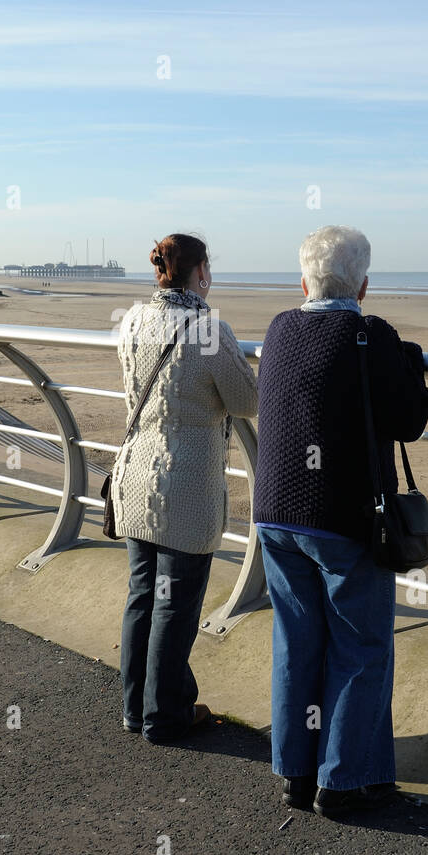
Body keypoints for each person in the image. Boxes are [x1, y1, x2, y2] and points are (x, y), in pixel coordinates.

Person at [253, 225, 428, 817]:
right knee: (360, 647)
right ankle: (346, 780)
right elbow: (410, 418)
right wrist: (410, 363)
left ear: (302, 280)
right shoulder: (367, 332)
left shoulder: (280, 327)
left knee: (296, 644)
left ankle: (296, 773)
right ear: (363, 284)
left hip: (276, 512)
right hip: (344, 517)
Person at [112, 234, 258, 743]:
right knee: (175, 603)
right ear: (201, 272)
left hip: (133, 475)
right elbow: (245, 401)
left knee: (142, 595)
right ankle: (166, 716)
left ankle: (137, 709)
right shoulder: (209, 329)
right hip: (186, 487)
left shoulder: (131, 319)